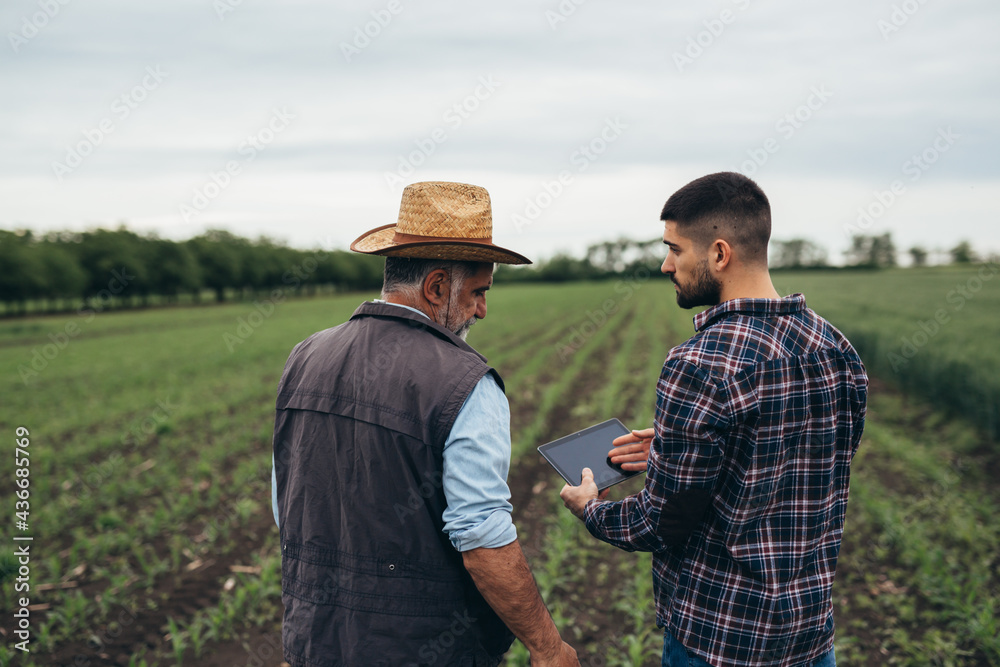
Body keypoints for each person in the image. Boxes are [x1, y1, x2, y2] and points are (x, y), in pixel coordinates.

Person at [560, 172, 868, 667]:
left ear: (719, 254)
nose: (665, 265)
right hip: (812, 637)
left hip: (720, 642)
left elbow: (659, 524)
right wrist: (677, 442)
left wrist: (589, 508)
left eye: (674, 249)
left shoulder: (699, 364)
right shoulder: (836, 348)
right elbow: (805, 456)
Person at [271, 181, 578, 667]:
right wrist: (547, 646)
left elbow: (287, 504)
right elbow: (482, 537)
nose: (481, 309)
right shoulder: (467, 382)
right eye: (478, 292)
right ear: (436, 286)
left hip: (314, 640)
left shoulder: (304, 357)